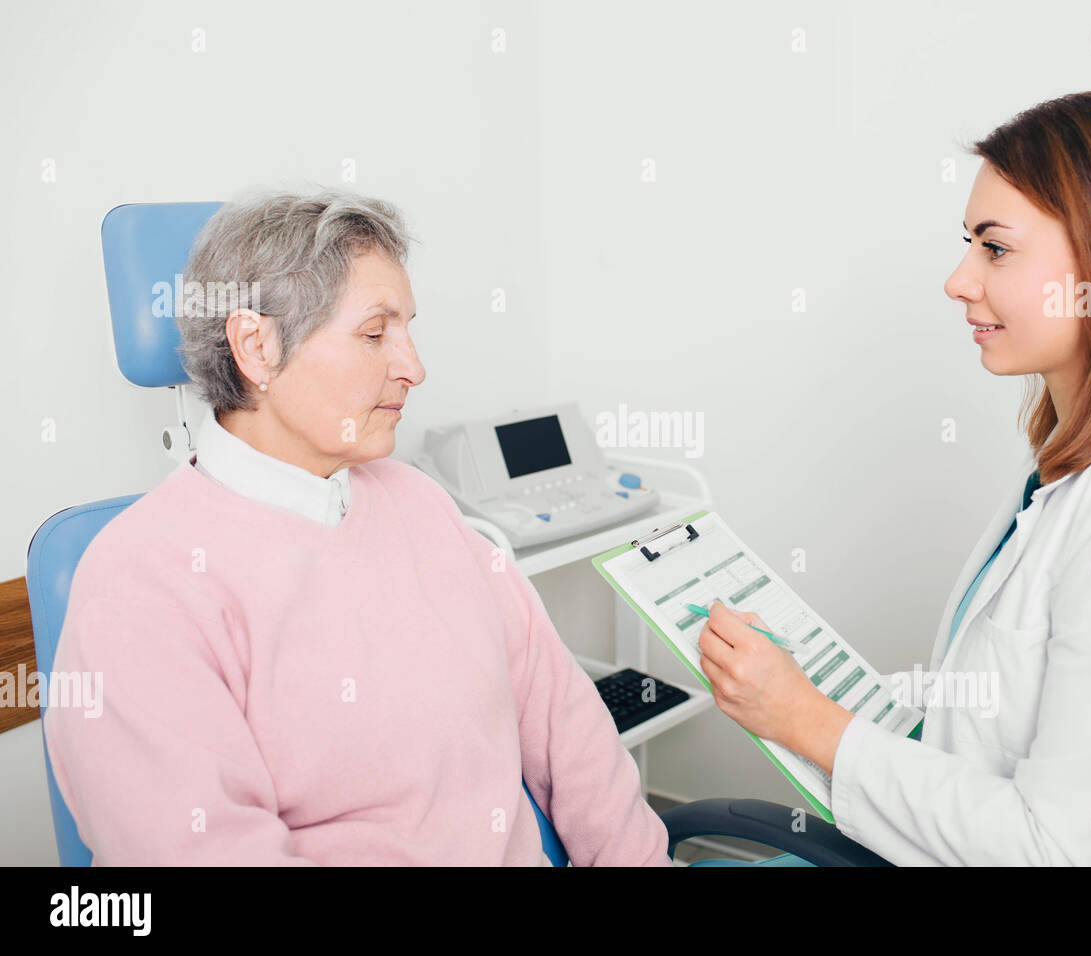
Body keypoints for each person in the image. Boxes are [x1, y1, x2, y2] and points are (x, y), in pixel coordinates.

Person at [697, 91, 1091, 865]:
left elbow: (1057, 850)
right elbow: (999, 731)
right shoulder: (1075, 465)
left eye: (995, 249)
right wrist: (815, 698)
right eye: (968, 244)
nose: (958, 279)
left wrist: (804, 719)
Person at [46, 190, 671, 866]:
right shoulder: (141, 586)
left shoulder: (419, 503)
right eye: (375, 334)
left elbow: (565, 723)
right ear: (256, 347)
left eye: (406, 330)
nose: (414, 367)